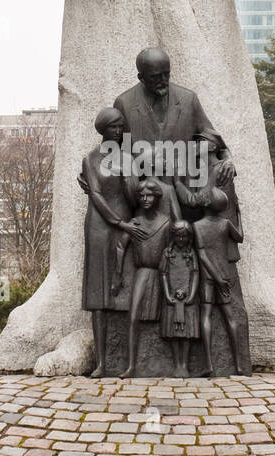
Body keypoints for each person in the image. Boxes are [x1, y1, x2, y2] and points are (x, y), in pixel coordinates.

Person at [113, 48, 235, 216]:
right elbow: (112, 148)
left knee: (221, 170)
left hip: (185, 177)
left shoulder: (188, 99)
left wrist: (228, 160)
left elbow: (212, 137)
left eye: (166, 74)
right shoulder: (124, 103)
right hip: (147, 181)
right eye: (156, 76)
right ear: (141, 77)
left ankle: (217, 238)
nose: (163, 80)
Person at [79, 108, 146, 377]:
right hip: (100, 226)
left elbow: (136, 195)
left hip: (127, 226)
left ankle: (131, 360)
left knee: (127, 290)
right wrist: (119, 223)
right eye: (115, 127)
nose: (119, 131)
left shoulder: (128, 158)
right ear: (103, 130)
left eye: (122, 127)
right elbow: (95, 194)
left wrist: (133, 181)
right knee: (98, 295)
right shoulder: (91, 159)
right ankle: (102, 363)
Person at [112, 179, 171, 377]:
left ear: (156, 197)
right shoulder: (135, 222)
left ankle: (172, 362)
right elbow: (121, 247)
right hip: (142, 273)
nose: (145, 199)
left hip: (162, 273)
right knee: (133, 316)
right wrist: (118, 275)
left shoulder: (165, 222)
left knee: (170, 314)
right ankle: (131, 365)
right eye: (142, 196)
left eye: (149, 195)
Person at [192, 187, 252, 376]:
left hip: (209, 277)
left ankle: (209, 364)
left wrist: (215, 277)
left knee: (206, 316)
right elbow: (240, 237)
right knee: (229, 318)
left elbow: (202, 254)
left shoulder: (198, 226)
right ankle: (238, 364)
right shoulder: (226, 224)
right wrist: (239, 215)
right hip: (224, 276)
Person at [159, 221, 199, 377]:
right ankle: (177, 364)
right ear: (173, 236)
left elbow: (195, 273)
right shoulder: (167, 253)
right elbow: (162, 273)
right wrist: (168, 294)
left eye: (184, 236)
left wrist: (192, 294)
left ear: (189, 237)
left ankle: (185, 364)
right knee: (173, 333)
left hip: (189, 298)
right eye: (178, 236)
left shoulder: (191, 254)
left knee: (187, 333)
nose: (181, 239)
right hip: (172, 298)